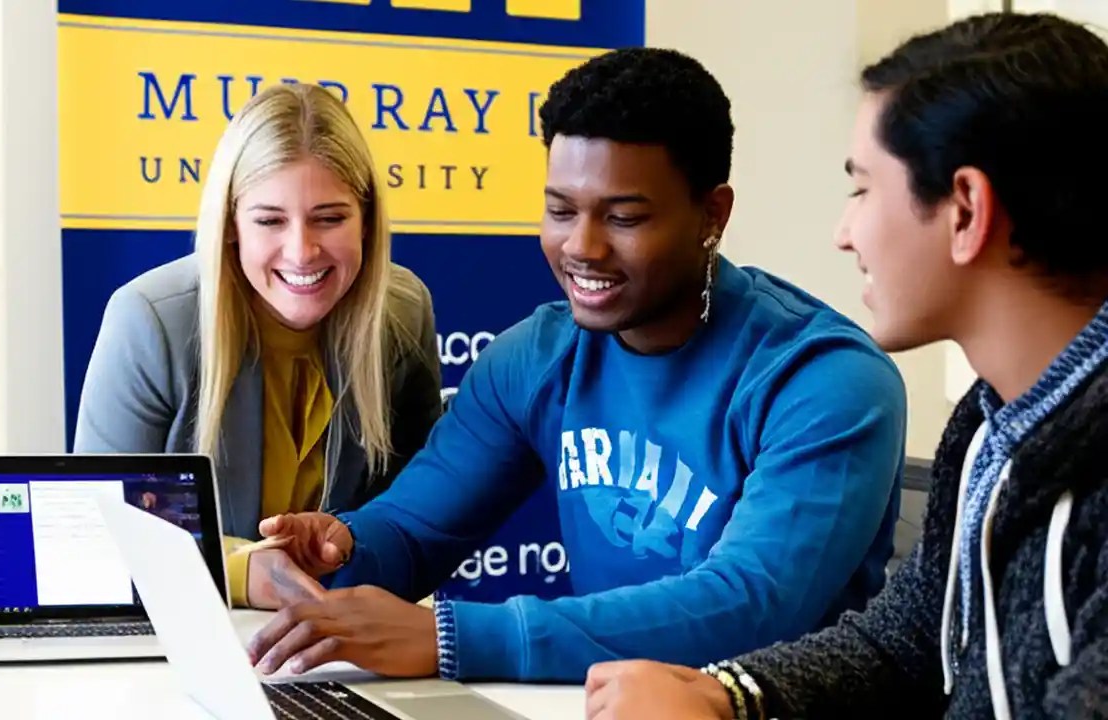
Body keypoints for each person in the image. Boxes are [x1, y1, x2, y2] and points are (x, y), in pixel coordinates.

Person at [240, 47, 910, 684]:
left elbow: (753, 606)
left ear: (713, 213)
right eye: (560, 211)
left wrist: (451, 638)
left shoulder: (825, 377)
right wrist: (341, 550)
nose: (582, 247)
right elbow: (414, 532)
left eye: (623, 217)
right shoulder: (535, 358)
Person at [582, 12, 1108, 720]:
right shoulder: (990, 425)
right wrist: (728, 696)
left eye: (862, 189)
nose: (843, 233)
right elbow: (908, 638)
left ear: (965, 212)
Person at [73, 84, 443, 610]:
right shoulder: (150, 319)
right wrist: (243, 574)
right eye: (270, 220)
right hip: (184, 636)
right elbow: (94, 533)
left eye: (330, 218)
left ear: (367, 220)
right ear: (230, 226)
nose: (302, 251)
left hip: (334, 641)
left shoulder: (402, 312)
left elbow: (420, 516)